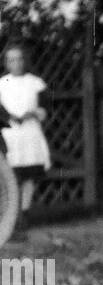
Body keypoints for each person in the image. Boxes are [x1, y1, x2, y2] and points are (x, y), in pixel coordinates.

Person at [0, 43, 52, 229]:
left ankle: (24, 213)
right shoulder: (1, 84)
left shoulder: (36, 83)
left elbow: (46, 108)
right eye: (12, 60)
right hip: (9, 134)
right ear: (6, 63)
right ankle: (10, 216)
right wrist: (9, 116)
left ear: (25, 60)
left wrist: (34, 113)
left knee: (29, 175)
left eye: (20, 59)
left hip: (30, 134)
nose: (17, 63)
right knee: (10, 176)